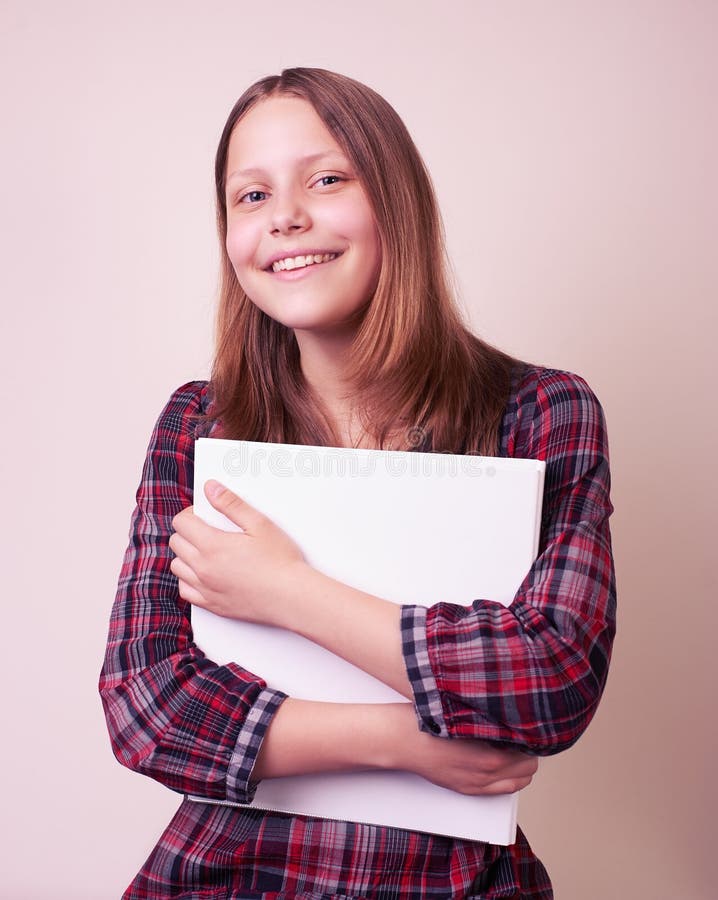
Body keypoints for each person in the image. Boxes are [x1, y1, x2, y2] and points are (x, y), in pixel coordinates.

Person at [99, 67, 616, 899]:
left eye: (327, 179)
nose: (285, 218)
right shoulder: (200, 423)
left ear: (397, 204)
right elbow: (149, 708)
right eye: (251, 196)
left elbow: (549, 682)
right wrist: (403, 740)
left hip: (454, 882)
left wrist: (284, 590)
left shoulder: (541, 409)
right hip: (221, 878)